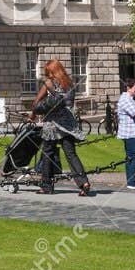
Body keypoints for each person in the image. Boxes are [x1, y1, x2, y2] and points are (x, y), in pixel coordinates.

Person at [30, 59, 91, 196]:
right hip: (68, 124)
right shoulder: (70, 83)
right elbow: (70, 103)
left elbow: (36, 102)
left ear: (52, 71)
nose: (47, 76)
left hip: (52, 125)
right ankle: (83, 182)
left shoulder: (49, 83)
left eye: (48, 72)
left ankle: (46, 186)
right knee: (71, 154)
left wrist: (32, 116)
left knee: (48, 154)